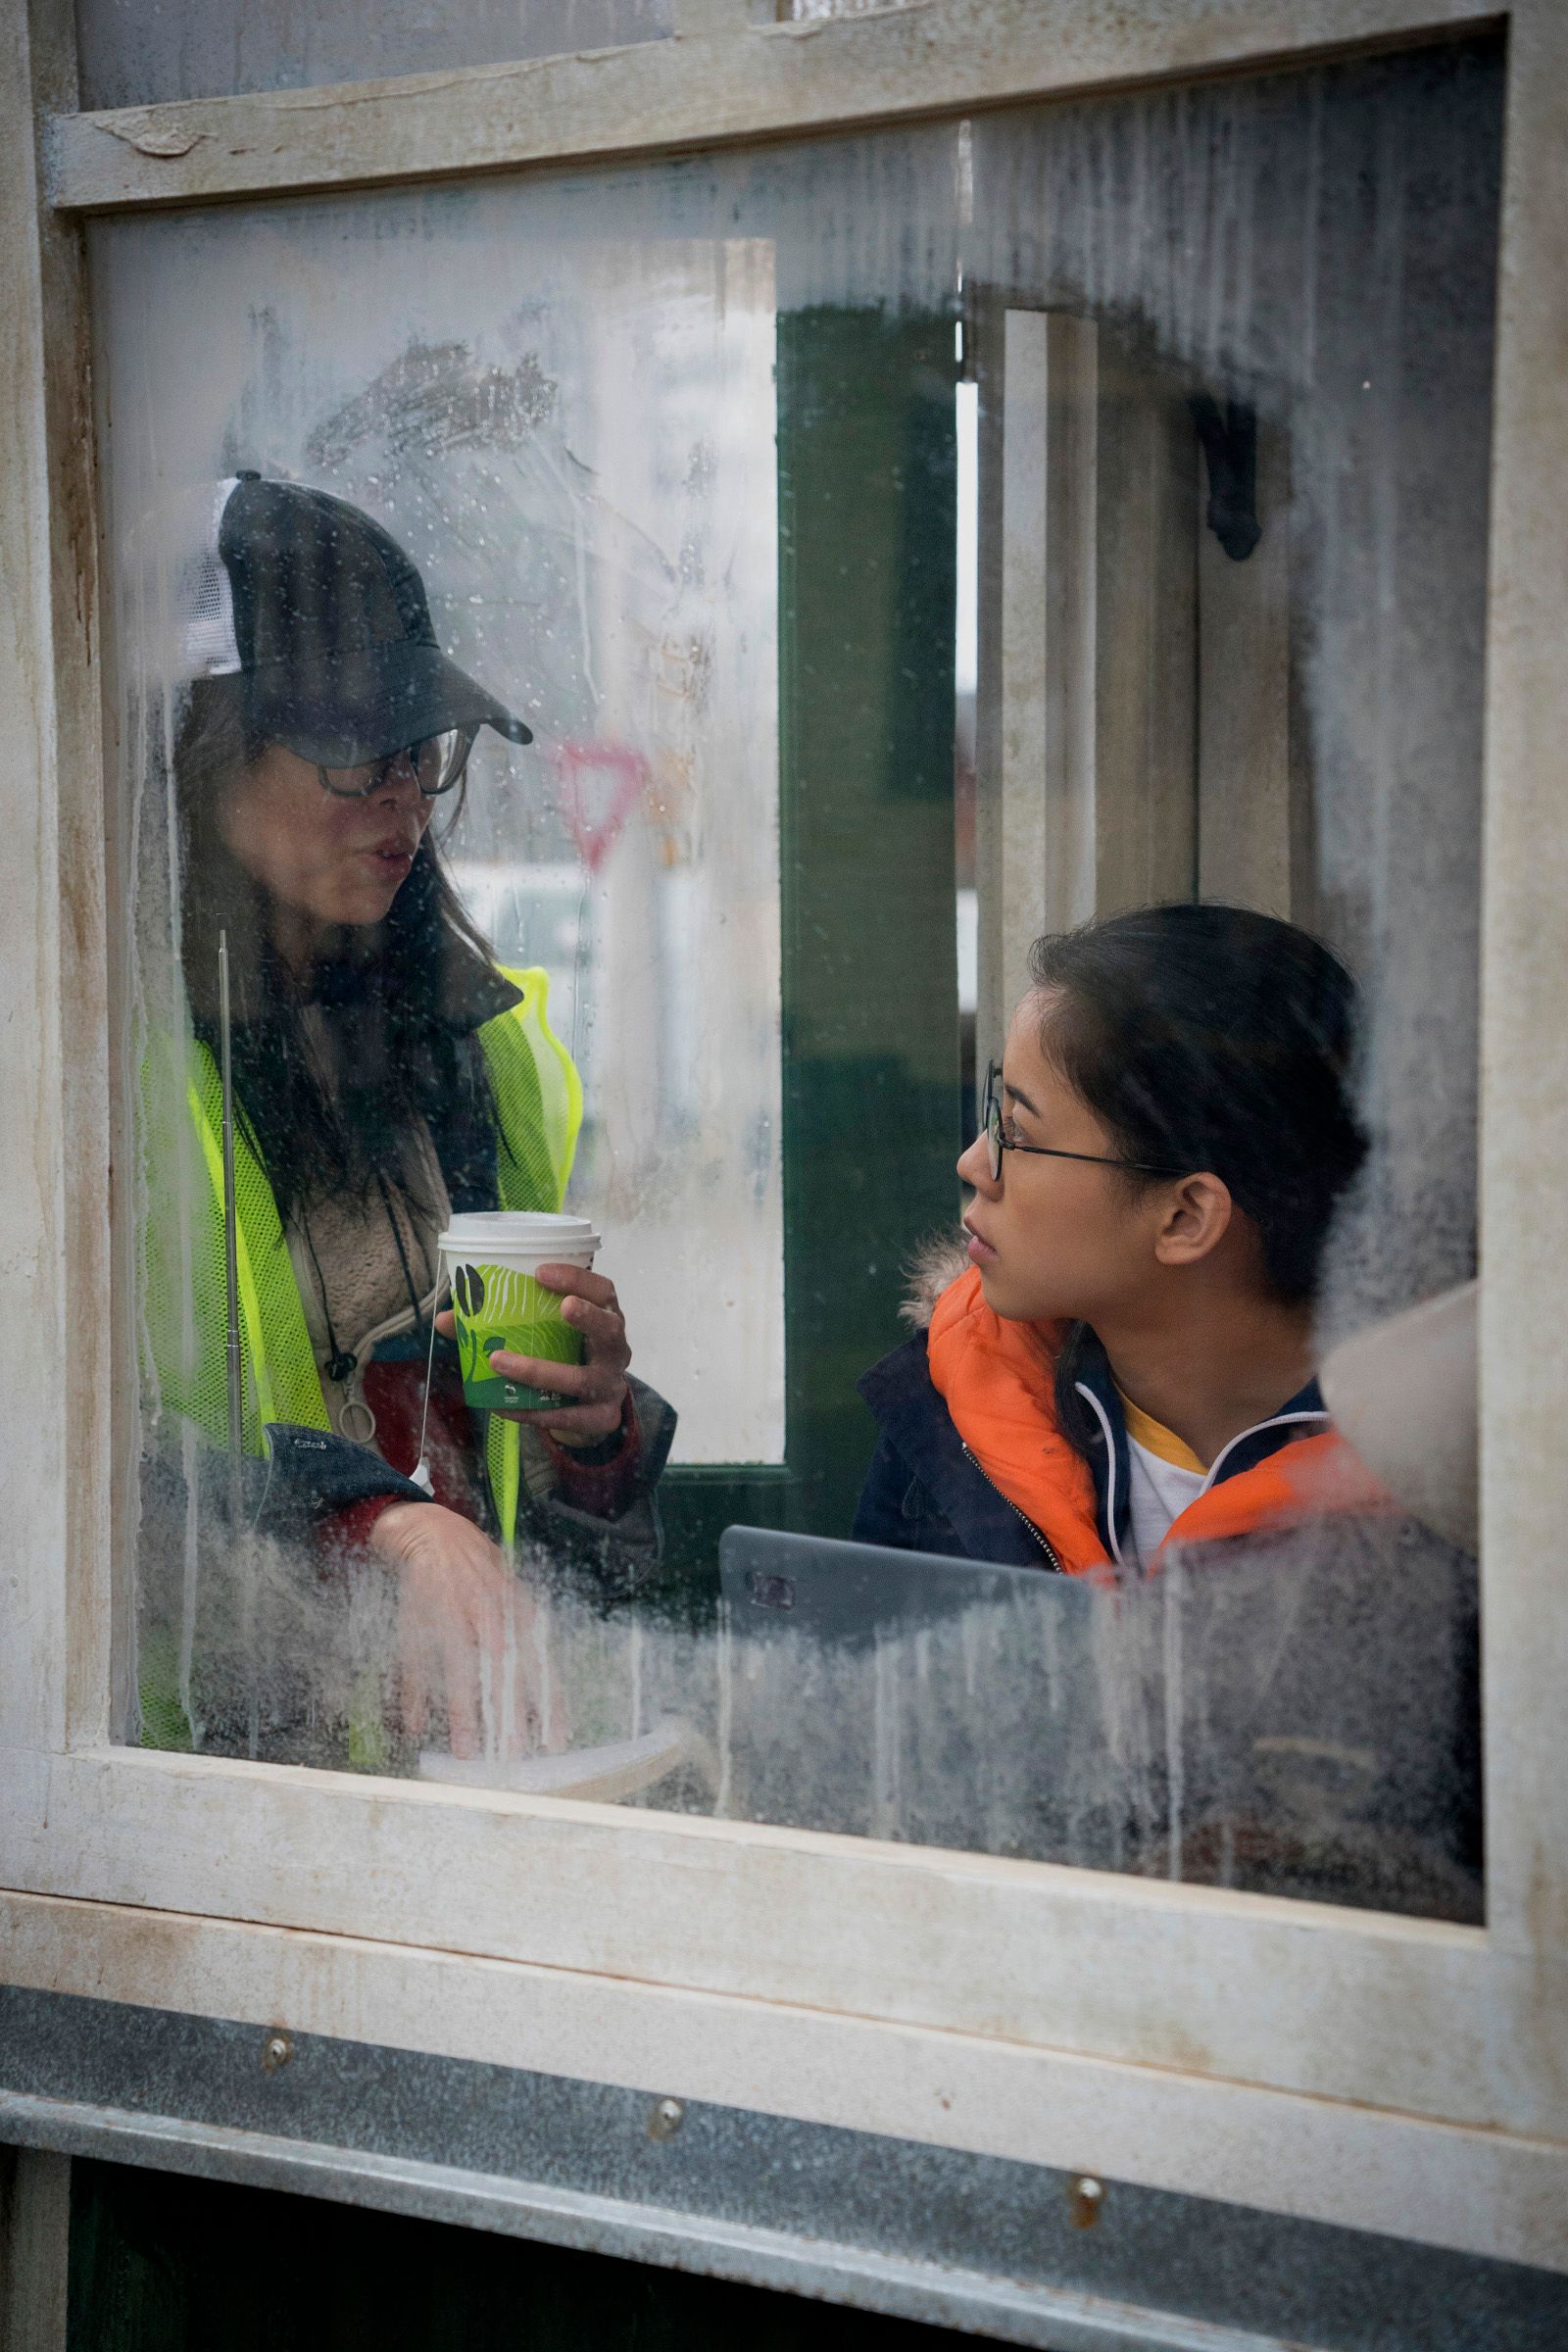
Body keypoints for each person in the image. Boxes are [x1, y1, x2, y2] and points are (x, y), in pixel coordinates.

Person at [136, 473, 673, 1759]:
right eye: (349, 751)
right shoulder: (90, 1067)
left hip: (463, 1759)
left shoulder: (481, 1043)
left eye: (421, 749)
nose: (404, 799)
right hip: (204, 1783)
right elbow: (70, 1457)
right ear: (200, 745)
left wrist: (592, 1433)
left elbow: (500, 1484)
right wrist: (369, 1518)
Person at [854, 903, 1377, 1573]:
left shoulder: (1434, 1470)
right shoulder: (958, 1405)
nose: (975, 1164)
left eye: (1019, 1133)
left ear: (1186, 1217)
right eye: (995, 1113)